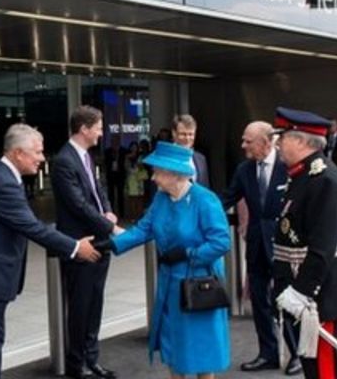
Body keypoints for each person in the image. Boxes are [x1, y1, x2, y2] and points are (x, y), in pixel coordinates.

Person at [0, 123, 101, 379]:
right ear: (18, 153)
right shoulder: (2, 182)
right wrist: (75, 247)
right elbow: (32, 227)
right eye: (38, 152)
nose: (42, 158)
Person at [104, 140, 231, 378]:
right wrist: (111, 243)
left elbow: (221, 242)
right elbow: (144, 229)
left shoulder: (205, 200)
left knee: (201, 351)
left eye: (158, 173)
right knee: (174, 347)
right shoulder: (161, 199)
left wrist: (189, 253)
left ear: (176, 175)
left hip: (199, 286)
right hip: (171, 283)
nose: (153, 178)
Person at [270, 107, 337, 379]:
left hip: (319, 293)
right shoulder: (302, 175)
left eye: (282, 137)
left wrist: (301, 291)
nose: (278, 144)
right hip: (304, 291)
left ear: (300, 140)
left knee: (323, 370)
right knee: (312, 366)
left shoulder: (325, 180)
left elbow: (323, 246)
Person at [220, 121, 300, 376]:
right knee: (260, 301)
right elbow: (227, 198)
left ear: (266, 142)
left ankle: (298, 353)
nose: (243, 145)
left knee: (287, 301)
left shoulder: (288, 167)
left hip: (284, 246)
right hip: (256, 246)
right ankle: (268, 353)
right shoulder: (244, 170)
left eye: (248, 141)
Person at [52, 106, 117, 379]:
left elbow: (98, 189)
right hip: (81, 243)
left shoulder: (87, 157)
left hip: (99, 242)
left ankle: (92, 359)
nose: (102, 133)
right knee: (79, 307)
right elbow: (78, 204)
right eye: (99, 128)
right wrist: (110, 226)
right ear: (84, 129)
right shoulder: (64, 160)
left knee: (95, 304)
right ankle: (76, 365)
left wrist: (109, 210)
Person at [172, 115, 210, 189]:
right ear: (174, 133)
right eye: (183, 134)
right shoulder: (164, 157)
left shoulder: (201, 159)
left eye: (191, 134)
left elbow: (205, 189)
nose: (187, 138)